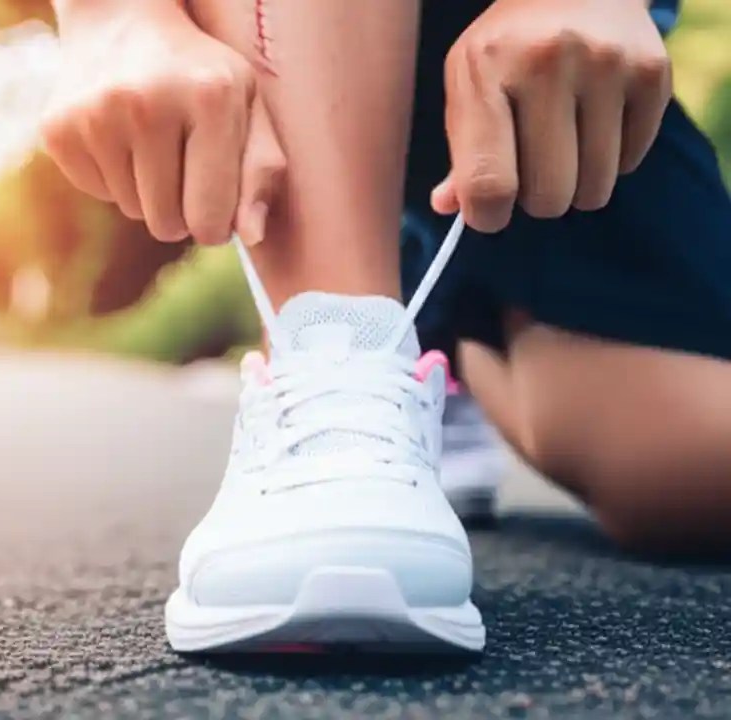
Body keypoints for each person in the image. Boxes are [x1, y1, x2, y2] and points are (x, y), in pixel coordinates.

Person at [42, 0, 731, 653]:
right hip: (294, 41)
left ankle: (437, 340)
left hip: (545, 66)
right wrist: (113, 16)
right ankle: (340, 359)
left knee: (686, 471)